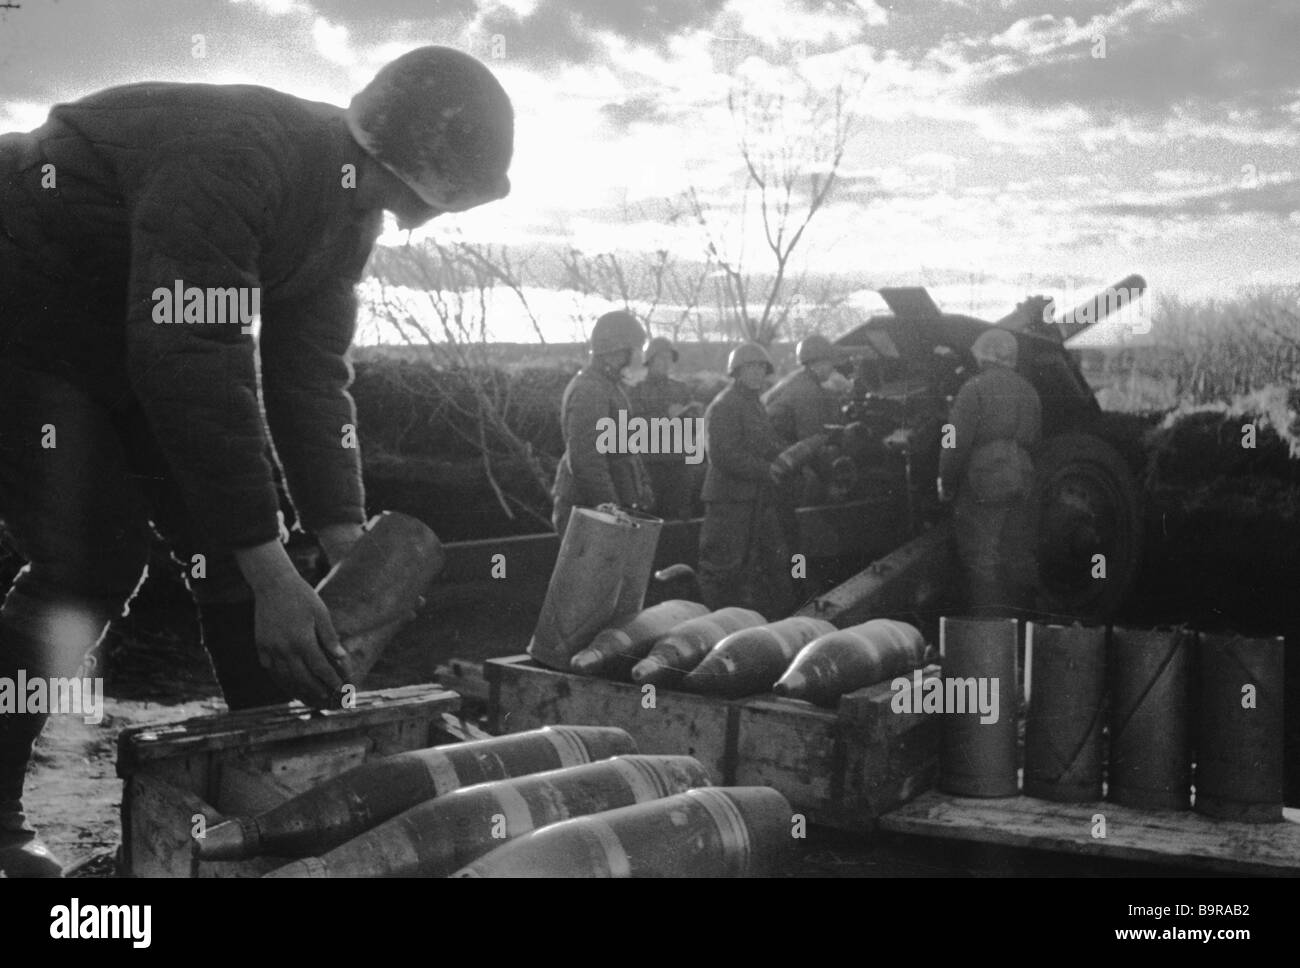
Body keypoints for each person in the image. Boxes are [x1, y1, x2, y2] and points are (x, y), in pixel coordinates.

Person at [0, 46, 514, 876]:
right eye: (426, 198)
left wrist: (341, 538)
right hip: (26, 311)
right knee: (90, 562)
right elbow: (192, 348)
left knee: (241, 565)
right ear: (392, 158)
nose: (422, 220)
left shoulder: (345, 220)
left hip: (132, 342)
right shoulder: (239, 156)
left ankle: (279, 788)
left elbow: (310, 380)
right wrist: (274, 567)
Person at [937, 327, 1042, 616]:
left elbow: (953, 439)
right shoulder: (1028, 390)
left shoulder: (974, 389)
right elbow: (1035, 435)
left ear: (984, 355)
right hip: (1022, 472)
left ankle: (990, 632)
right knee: (1019, 553)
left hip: (985, 476)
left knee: (980, 556)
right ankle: (1027, 624)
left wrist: (946, 480)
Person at [698, 342, 793, 616]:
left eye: (761, 368)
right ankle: (715, 623)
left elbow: (765, 442)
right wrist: (766, 470)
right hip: (728, 501)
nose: (757, 373)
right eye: (750, 368)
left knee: (771, 560)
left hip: (755, 498)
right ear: (737, 371)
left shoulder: (754, 404)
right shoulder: (725, 405)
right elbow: (723, 455)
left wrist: (787, 453)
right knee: (723, 569)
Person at [552, 311, 654, 534]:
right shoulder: (591, 390)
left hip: (603, 509)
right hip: (591, 511)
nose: (638, 357)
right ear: (616, 352)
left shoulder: (607, 387)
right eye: (634, 349)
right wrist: (611, 510)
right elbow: (587, 461)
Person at [762, 334, 843, 551]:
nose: (832, 369)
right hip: (775, 463)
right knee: (796, 515)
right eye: (829, 363)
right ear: (817, 363)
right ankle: (799, 570)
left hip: (769, 456)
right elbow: (812, 443)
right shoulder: (808, 391)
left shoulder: (798, 380)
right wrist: (831, 481)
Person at [628, 336, 699, 520]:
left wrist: (691, 416)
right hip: (650, 466)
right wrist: (666, 417)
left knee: (679, 519)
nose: (666, 363)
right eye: (661, 358)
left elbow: (693, 429)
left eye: (669, 358)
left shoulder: (681, 389)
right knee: (649, 517)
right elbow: (634, 428)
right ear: (649, 361)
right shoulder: (636, 391)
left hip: (679, 465)